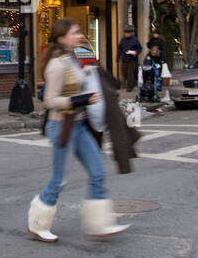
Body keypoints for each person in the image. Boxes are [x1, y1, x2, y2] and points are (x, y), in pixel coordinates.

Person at [27, 18, 129, 243]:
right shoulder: (56, 64)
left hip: (80, 124)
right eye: (74, 33)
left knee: (98, 172)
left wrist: (92, 76)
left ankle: (99, 224)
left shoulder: (76, 58)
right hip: (62, 125)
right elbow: (49, 100)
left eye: (79, 32)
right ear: (62, 38)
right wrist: (79, 99)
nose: (80, 36)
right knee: (59, 179)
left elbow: (89, 79)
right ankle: (37, 223)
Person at [116, 25, 142, 91]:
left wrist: (136, 52)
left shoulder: (135, 39)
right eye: (125, 33)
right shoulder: (122, 40)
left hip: (132, 59)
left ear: (130, 33)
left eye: (128, 33)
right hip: (124, 59)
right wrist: (118, 57)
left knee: (130, 73)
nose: (126, 34)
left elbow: (140, 48)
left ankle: (130, 87)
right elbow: (119, 49)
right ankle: (127, 84)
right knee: (124, 73)